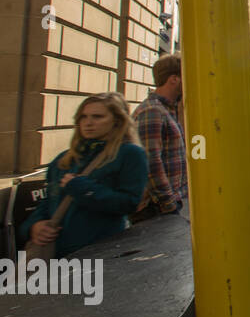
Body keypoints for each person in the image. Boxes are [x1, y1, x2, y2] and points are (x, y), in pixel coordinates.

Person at [20, 93, 148, 258]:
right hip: (57, 255)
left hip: (102, 253)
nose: (88, 123)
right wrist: (34, 226)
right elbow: (48, 201)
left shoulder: (130, 154)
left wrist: (83, 188)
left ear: (117, 120)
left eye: (98, 117)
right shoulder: (64, 160)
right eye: (83, 117)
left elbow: (129, 203)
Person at [131, 53, 187, 221]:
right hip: (156, 208)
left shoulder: (167, 109)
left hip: (165, 203)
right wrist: (168, 204)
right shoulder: (153, 111)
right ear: (174, 79)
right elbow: (151, 162)